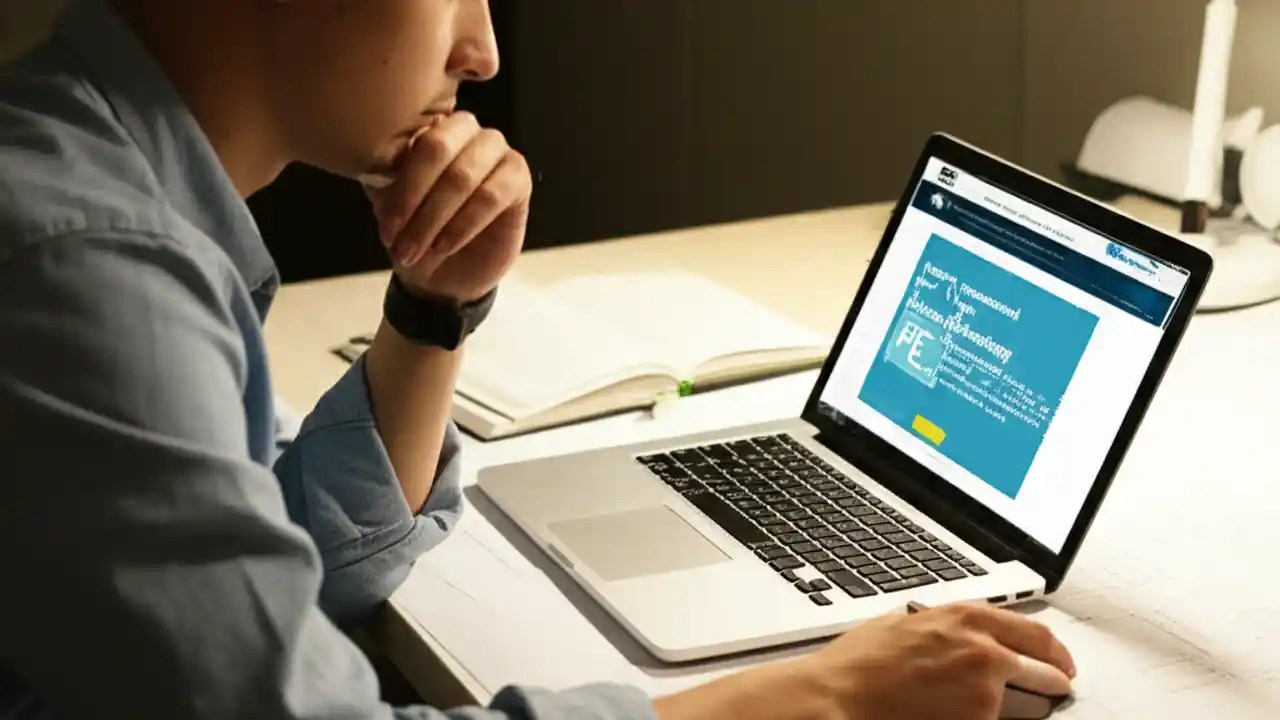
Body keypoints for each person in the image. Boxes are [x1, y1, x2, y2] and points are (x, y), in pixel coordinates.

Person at [0, 1, 1076, 718]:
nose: (482, 51)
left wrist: (435, 306)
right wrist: (820, 699)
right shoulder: (91, 273)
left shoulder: (93, 183)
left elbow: (261, 584)